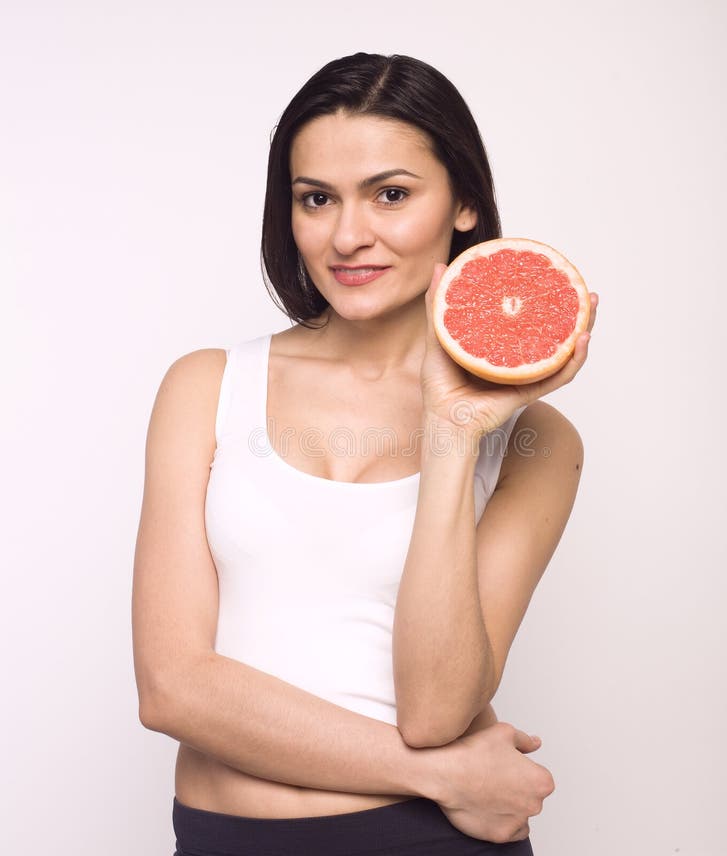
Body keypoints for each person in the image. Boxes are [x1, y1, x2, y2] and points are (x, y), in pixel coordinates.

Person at [132, 52, 598, 856]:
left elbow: (436, 711)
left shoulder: (537, 444)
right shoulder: (207, 387)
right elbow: (172, 688)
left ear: (464, 203)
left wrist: (450, 436)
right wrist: (444, 777)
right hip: (228, 836)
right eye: (316, 198)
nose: (348, 236)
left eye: (391, 194)